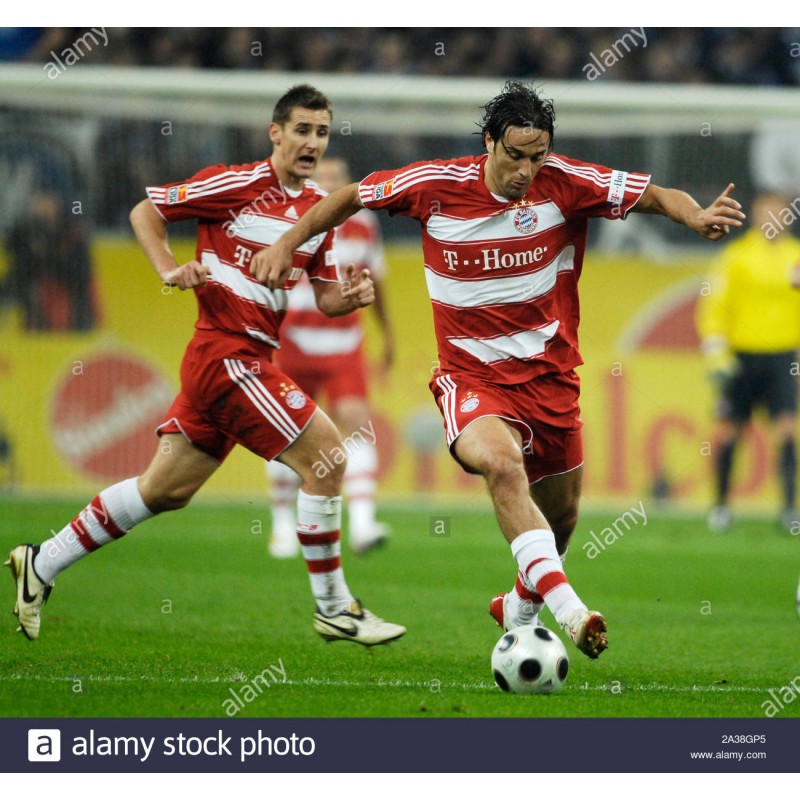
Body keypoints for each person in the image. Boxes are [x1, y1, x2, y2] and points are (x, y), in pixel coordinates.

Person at [251, 81, 745, 659]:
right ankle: (572, 612)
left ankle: (518, 609)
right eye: (514, 156)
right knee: (503, 465)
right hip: (471, 378)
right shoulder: (434, 185)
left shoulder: (567, 182)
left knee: (562, 518)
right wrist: (287, 242)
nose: (525, 171)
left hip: (550, 379)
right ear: (489, 142)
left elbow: (655, 195)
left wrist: (695, 216)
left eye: (537, 157)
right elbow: (350, 196)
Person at [5, 84, 405, 648]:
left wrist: (352, 296)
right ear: (276, 133)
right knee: (328, 457)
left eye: (321, 132)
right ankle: (335, 608)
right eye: (302, 130)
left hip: (242, 359)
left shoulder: (317, 211)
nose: (312, 142)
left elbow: (325, 297)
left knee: (164, 490)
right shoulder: (235, 184)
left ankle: (41, 561)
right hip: (226, 355)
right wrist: (169, 268)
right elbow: (146, 212)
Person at [266, 157, 394, 558]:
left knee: (356, 424)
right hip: (293, 343)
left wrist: (387, 333)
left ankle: (363, 524)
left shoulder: (364, 225)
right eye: (322, 178)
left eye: (337, 179)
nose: (330, 186)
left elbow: (376, 280)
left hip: (343, 344)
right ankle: (282, 526)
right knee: (287, 434)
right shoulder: (290, 220)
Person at [695, 192, 800, 534]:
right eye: (767, 213)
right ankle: (721, 506)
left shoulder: (796, 256)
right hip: (742, 356)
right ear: (755, 216)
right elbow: (714, 305)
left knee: (787, 429)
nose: (773, 220)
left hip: (783, 356)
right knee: (729, 431)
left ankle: (788, 509)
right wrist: (716, 354)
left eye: (779, 213)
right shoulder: (737, 256)